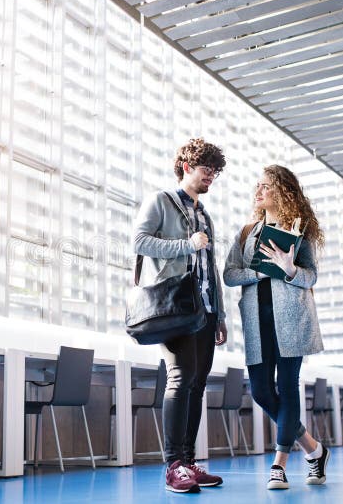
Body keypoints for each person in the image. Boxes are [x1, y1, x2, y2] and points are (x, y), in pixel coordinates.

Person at [223, 164, 329, 490]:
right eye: (257, 186)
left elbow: (311, 275)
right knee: (261, 391)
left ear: (281, 190)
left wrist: (291, 269)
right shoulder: (246, 233)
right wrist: (258, 274)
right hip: (257, 324)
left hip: (293, 321)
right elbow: (229, 274)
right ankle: (313, 448)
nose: (258, 191)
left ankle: (279, 465)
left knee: (287, 386)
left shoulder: (301, 231)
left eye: (265, 186)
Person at [132, 138, 228, 493]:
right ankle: (174, 465)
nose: (211, 178)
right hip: (173, 307)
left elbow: (211, 265)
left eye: (215, 173)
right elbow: (140, 242)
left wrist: (219, 313)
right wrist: (186, 244)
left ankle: (188, 462)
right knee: (180, 377)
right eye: (206, 171)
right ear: (187, 167)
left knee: (197, 385)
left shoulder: (206, 216)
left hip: (203, 309)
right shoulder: (161, 201)